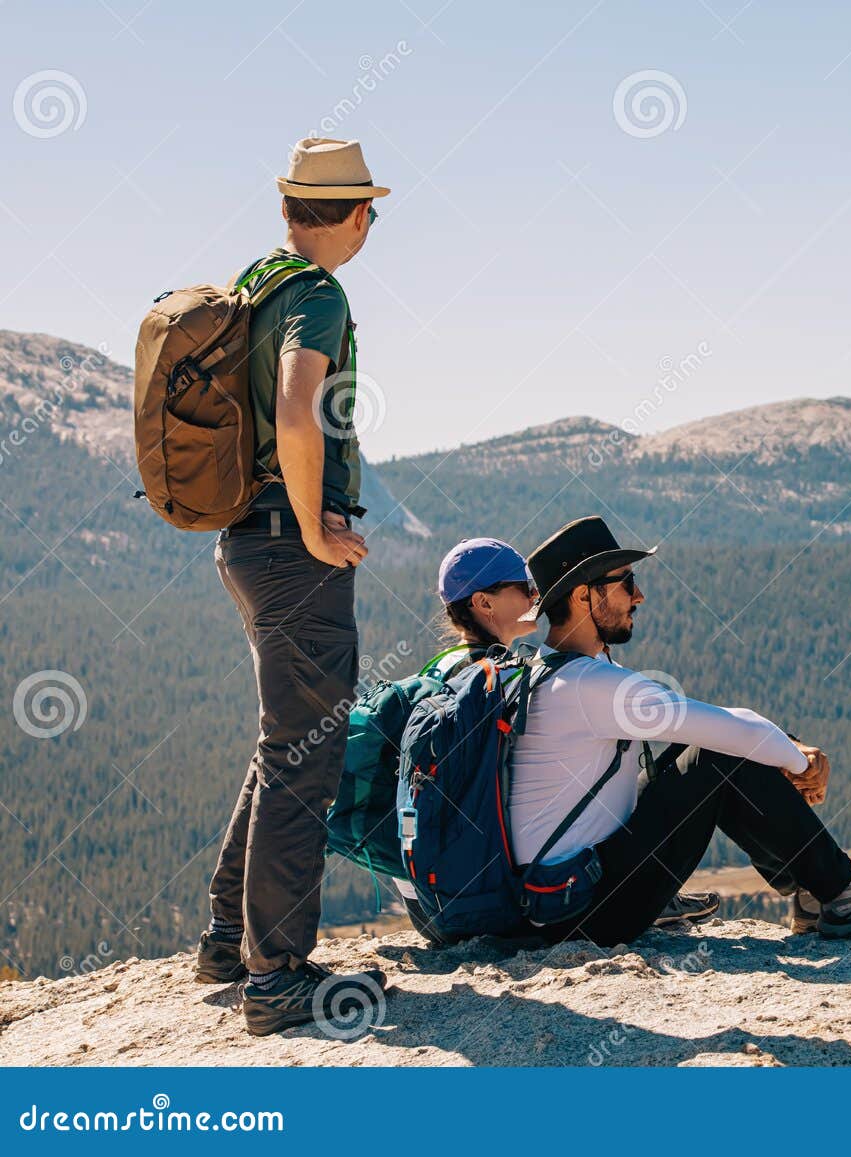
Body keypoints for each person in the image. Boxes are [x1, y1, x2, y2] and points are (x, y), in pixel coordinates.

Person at [493, 515, 851, 944]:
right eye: (626, 582)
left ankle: (818, 892)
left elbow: (714, 732)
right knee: (719, 756)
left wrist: (783, 747)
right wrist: (802, 761)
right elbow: (734, 729)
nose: (639, 596)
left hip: (556, 899)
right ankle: (839, 892)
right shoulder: (590, 686)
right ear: (582, 596)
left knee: (705, 750)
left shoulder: (544, 672)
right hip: (582, 912)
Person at [194, 138, 389, 1037]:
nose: (372, 226)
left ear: (286, 211)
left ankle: (227, 942)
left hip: (242, 540)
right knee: (306, 753)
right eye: (371, 211)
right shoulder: (317, 294)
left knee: (285, 741)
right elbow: (297, 405)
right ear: (351, 214)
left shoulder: (256, 281)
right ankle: (276, 977)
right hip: (288, 543)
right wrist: (316, 527)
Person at [411, 537, 720, 941]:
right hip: (477, 899)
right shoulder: (482, 679)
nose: (538, 596)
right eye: (524, 588)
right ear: (484, 603)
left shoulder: (449, 671)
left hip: (431, 901)